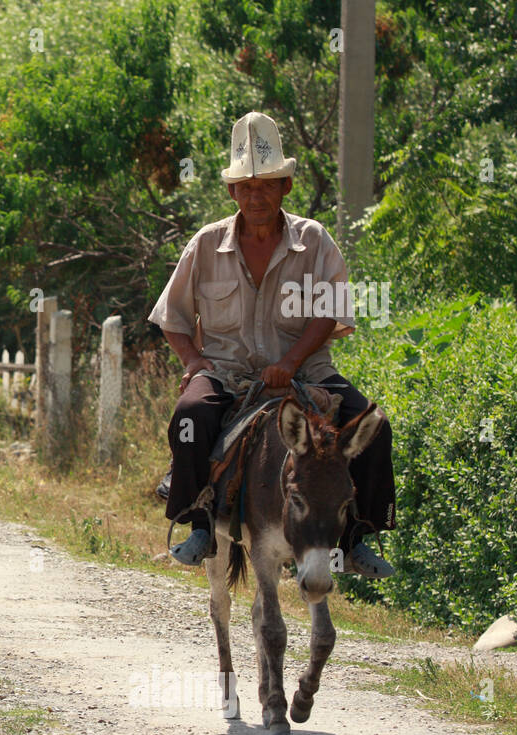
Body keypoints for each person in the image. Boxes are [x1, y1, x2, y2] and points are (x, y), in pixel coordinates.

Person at [148, 111, 395, 576]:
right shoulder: (205, 245)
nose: (254, 195)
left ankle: (358, 536)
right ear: (231, 192)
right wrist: (195, 362)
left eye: (266, 185)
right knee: (189, 416)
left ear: (286, 186)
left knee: (375, 426)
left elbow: (329, 311)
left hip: (307, 373)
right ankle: (197, 521)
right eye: (245, 187)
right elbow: (173, 318)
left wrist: (290, 361)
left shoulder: (315, 241)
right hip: (226, 372)